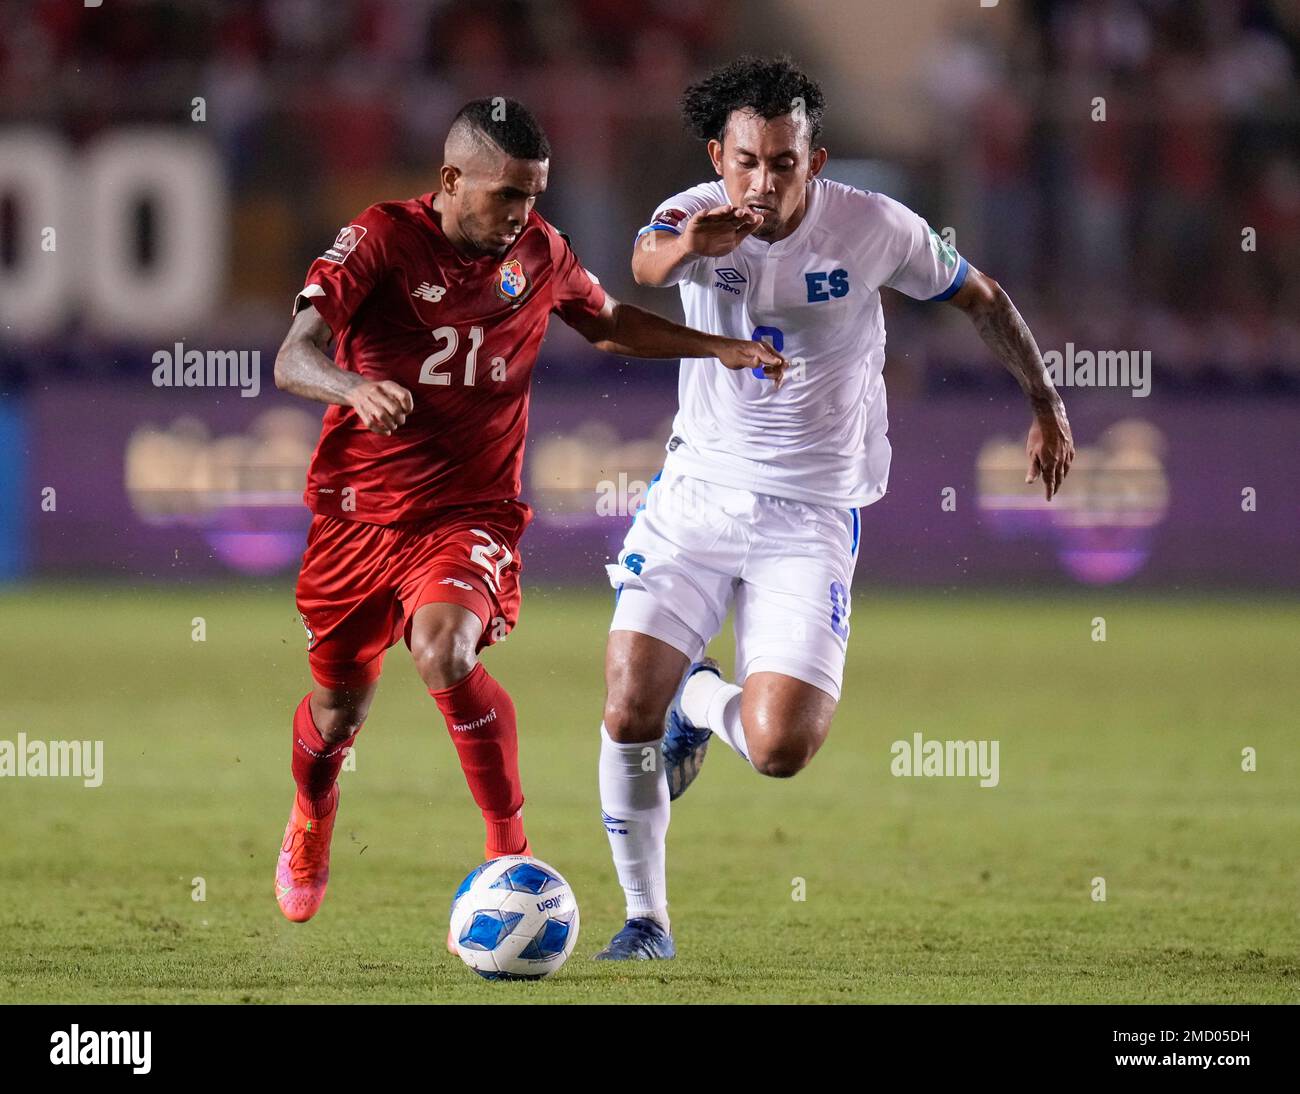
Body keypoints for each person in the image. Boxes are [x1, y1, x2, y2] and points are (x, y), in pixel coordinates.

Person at [596, 56, 1074, 959]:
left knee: (780, 748)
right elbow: (643, 263)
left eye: (784, 161)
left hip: (810, 516)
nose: (763, 180)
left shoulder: (876, 227)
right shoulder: (694, 211)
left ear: (816, 161)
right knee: (625, 707)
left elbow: (983, 297)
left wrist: (1045, 404)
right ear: (718, 154)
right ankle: (645, 920)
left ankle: (697, 705)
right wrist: (692, 246)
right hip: (698, 493)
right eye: (746, 160)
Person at [271, 97, 784, 936]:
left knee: (443, 647)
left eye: (535, 195)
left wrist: (720, 346)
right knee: (338, 712)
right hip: (356, 518)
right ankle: (313, 809)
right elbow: (294, 354)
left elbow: (610, 323)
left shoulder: (539, 253)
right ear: (450, 180)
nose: (522, 215)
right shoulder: (380, 239)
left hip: (468, 512)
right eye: (507, 195)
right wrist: (353, 388)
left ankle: (508, 848)